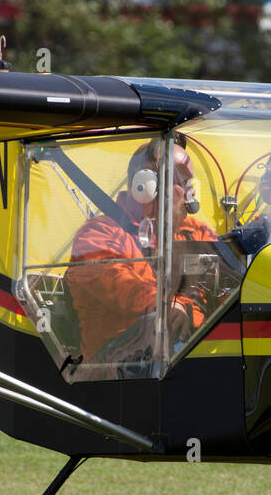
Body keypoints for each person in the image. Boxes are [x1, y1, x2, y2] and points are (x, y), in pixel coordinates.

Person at [65, 136, 217, 368]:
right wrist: (168, 306)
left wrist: (185, 307)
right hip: (115, 370)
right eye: (183, 183)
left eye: (190, 185)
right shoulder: (98, 235)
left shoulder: (192, 233)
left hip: (177, 357)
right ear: (146, 185)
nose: (190, 196)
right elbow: (127, 290)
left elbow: (223, 271)